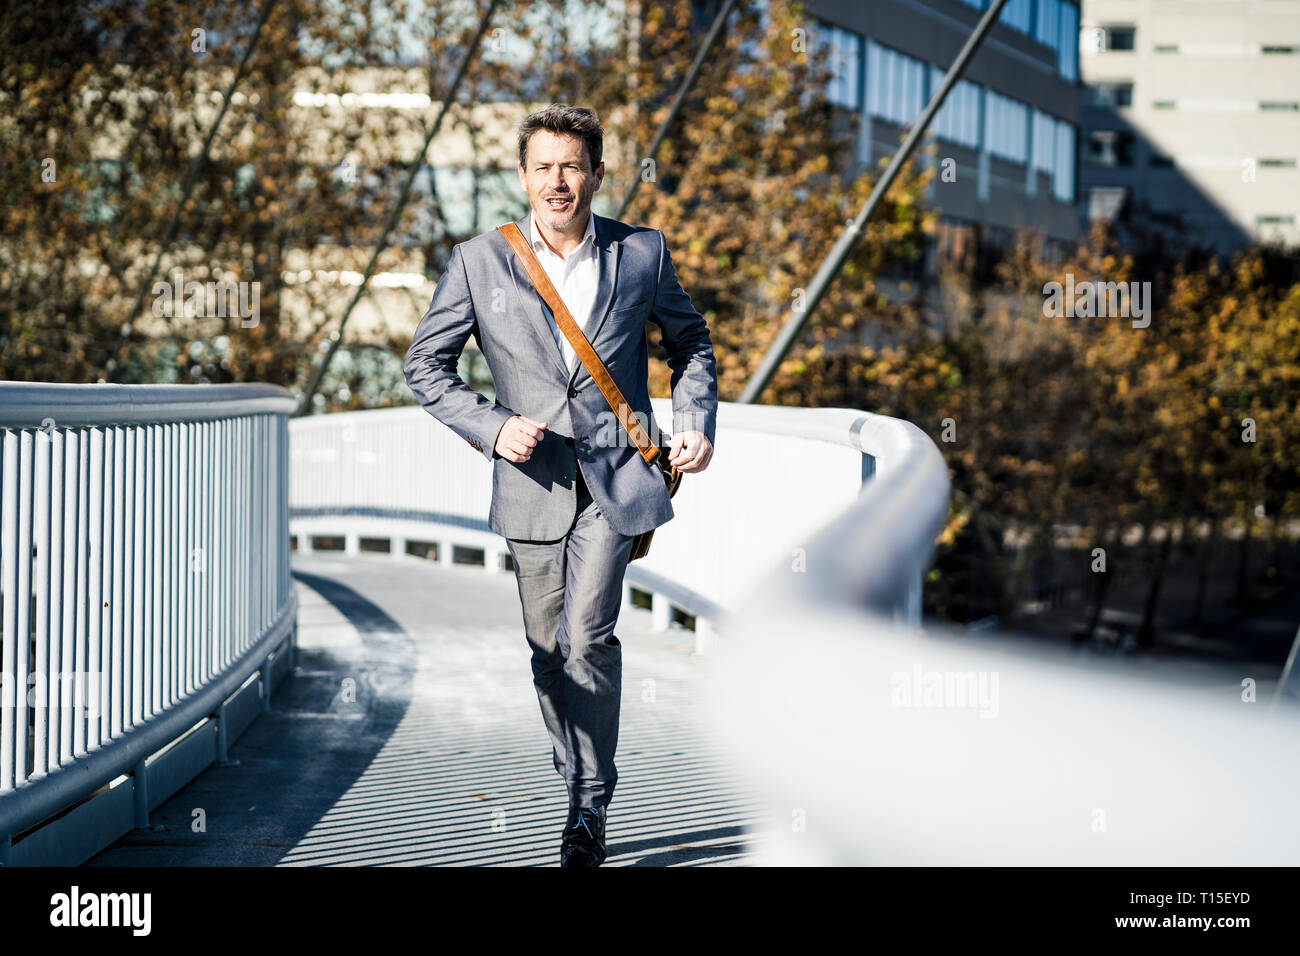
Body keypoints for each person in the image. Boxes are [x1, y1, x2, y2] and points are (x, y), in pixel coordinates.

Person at [403, 104, 718, 867]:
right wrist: (491, 426)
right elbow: (424, 365)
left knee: (588, 635)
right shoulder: (480, 261)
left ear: (597, 174)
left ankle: (588, 805)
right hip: (531, 480)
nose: (558, 181)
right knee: (547, 649)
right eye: (543, 166)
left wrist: (696, 419)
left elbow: (692, 343)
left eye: (571, 166)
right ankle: (574, 773)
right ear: (522, 175)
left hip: (618, 473)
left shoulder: (641, 251)